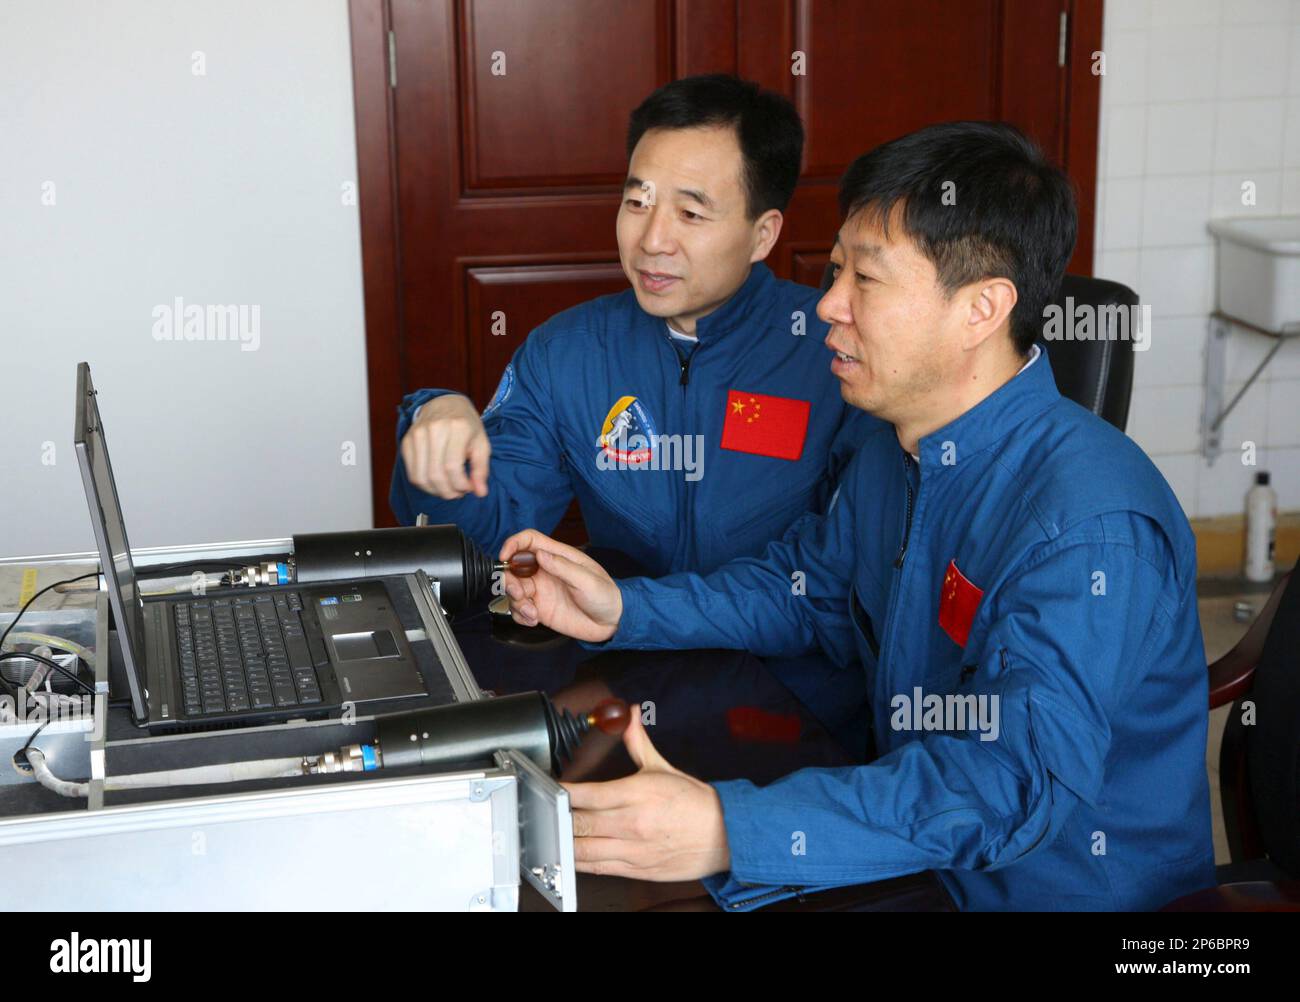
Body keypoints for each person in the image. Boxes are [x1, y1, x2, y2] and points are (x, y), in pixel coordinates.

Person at [499, 122, 1217, 911]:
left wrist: (731, 828)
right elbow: (807, 591)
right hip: (909, 850)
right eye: (835, 269)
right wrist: (624, 610)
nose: (829, 306)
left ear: (982, 308)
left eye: (865, 280)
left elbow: (1007, 783)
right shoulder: (893, 445)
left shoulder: (1087, 527)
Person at [391, 74, 871, 580]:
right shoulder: (567, 353)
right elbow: (484, 542)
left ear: (762, 234)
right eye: (637, 203)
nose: (653, 240)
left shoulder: (834, 351)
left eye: (689, 213)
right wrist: (435, 424)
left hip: (779, 653)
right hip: (626, 651)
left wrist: (632, 612)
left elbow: (837, 581)